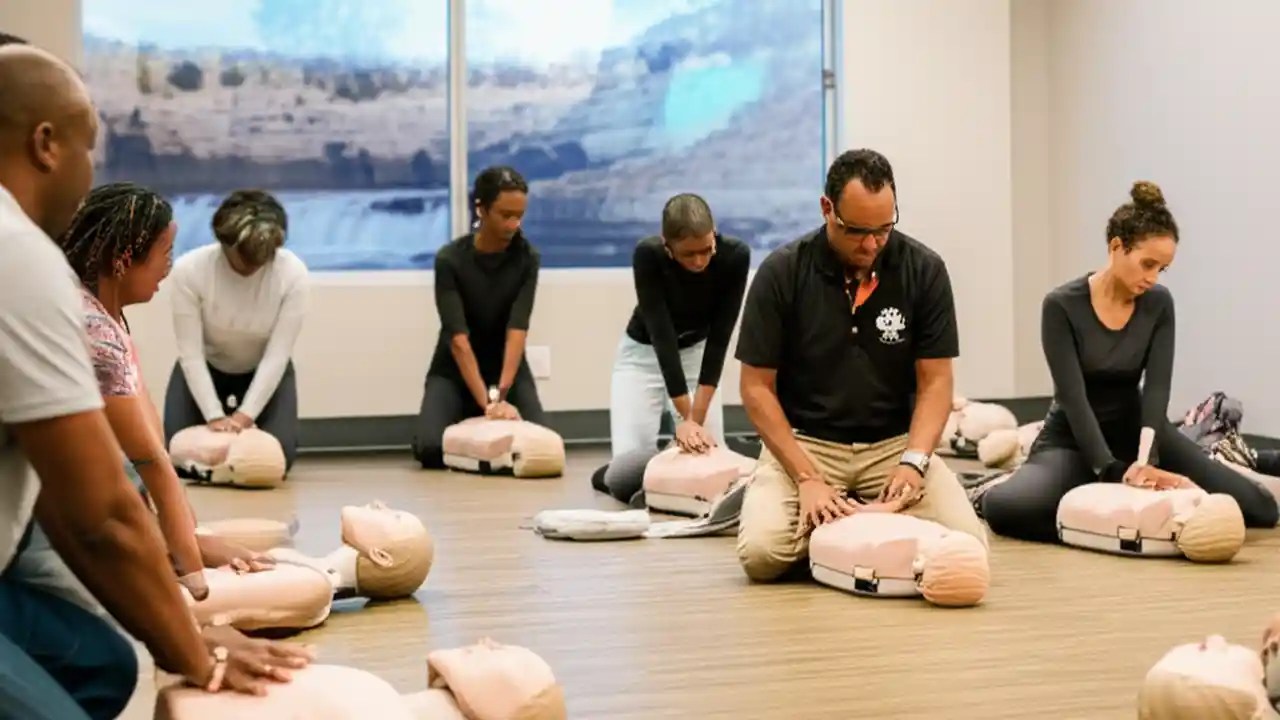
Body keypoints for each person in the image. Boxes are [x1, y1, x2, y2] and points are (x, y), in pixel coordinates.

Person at [0, 44, 307, 720]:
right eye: (91, 149)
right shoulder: (18, 254)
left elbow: (55, 486)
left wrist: (183, 582)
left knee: (105, 666)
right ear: (46, 144)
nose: (91, 174)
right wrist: (197, 643)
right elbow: (105, 513)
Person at [15, 181, 280, 615]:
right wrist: (196, 586)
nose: (168, 268)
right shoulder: (93, 331)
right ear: (122, 262)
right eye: (165, 254)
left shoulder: (105, 315)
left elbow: (149, 448)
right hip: (49, 526)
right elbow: (151, 465)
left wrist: (187, 542)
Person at [732, 148, 987, 582]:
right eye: (857, 232)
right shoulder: (782, 273)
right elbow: (755, 388)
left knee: (969, 549)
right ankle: (858, 523)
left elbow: (936, 381)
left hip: (892, 447)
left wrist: (915, 461)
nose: (871, 244)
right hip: (807, 444)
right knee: (761, 555)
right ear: (827, 210)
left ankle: (847, 524)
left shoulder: (924, 270)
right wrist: (807, 478)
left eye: (884, 230)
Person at [974, 181, 1278, 539]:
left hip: (1138, 432)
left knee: (1260, 509)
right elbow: (1072, 398)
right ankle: (1008, 481)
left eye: (1161, 269)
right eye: (1147, 264)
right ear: (1116, 247)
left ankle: (1219, 452)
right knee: (1011, 510)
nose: (1152, 278)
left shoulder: (1159, 303)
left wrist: (1146, 460)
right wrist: (1112, 470)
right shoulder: (1061, 305)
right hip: (1072, 439)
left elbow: (1157, 388)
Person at [162, 189, 309, 472]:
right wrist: (214, 417)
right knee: (179, 458)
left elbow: (277, 356)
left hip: (262, 369)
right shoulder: (189, 271)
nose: (252, 266)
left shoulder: (293, 274)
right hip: (207, 365)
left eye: (263, 258)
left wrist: (244, 417)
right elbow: (190, 353)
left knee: (276, 461)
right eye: (245, 257)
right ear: (224, 243)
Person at [412, 166, 546, 468]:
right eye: (505, 215)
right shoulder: (450, 260)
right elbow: (458, 340)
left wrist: (501, 394)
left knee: (541, 447)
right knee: (431, 449)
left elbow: (517, 331)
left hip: (507, 372)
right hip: (454, 371)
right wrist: (489, 406)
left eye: (519, 215)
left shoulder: (527, 259)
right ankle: (468, 426)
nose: (513, 224)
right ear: (481, 209)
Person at [609, 193, 750, 457]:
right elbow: (663, 338)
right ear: (667, 245)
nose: (699, 261)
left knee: (707, 453)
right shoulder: (648, 255)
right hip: (643, 355)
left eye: (706, 250)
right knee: (629, 463)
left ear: (714, 233)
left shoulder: (735, 256)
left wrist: (693, 423)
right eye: (688, 254)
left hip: (697, 354)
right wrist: (688, 420)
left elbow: (719, 340)